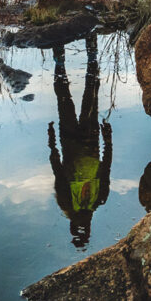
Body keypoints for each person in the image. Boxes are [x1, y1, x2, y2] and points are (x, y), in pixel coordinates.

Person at [47, 34, 112, 247]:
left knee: (88, 92)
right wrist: (51, 142)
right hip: (75, 141)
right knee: (67, 94)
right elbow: (57, 167)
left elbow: (106, 165)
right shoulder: (88, 200)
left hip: (86, 140)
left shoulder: (97, 199)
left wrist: (108, 139)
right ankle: (66, 52)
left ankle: (81, 51)